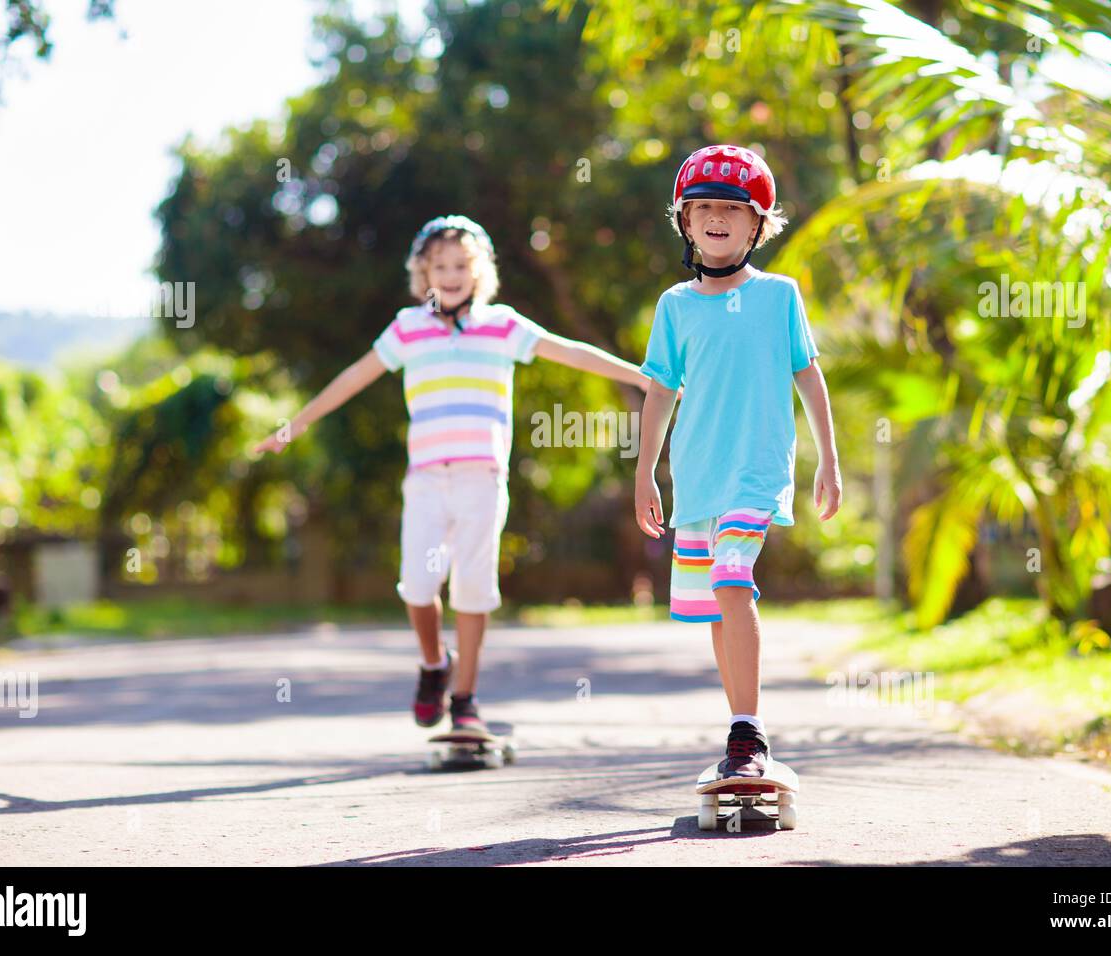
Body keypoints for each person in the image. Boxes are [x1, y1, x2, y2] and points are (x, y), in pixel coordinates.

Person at [254, 215, 650, 732]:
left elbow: (570, 351)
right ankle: (433, 665)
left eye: (461, 264)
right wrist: (294, 426)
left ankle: (464, 698)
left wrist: (643, 376)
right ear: (423, 274)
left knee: (473, 588)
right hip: (426, 479)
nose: (451, 273)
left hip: (481, 478)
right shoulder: (407, 328)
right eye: (439, 265)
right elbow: (355, 376)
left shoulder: (503, 325)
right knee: (418, 587)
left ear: (480, 270)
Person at [633, 146, 842, 778]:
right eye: (704, 209)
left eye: (733, 208)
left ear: (758, 225)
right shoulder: (675, 306)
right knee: (716, 612)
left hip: (757, 474)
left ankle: (750, 734)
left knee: (731, 579)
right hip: (698, 480)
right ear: (685, 223)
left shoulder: (779, 297)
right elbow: (661, 391)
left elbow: (808, 375)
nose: (717, 218)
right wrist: (645, 471)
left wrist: (828, 458)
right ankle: (738, 732)